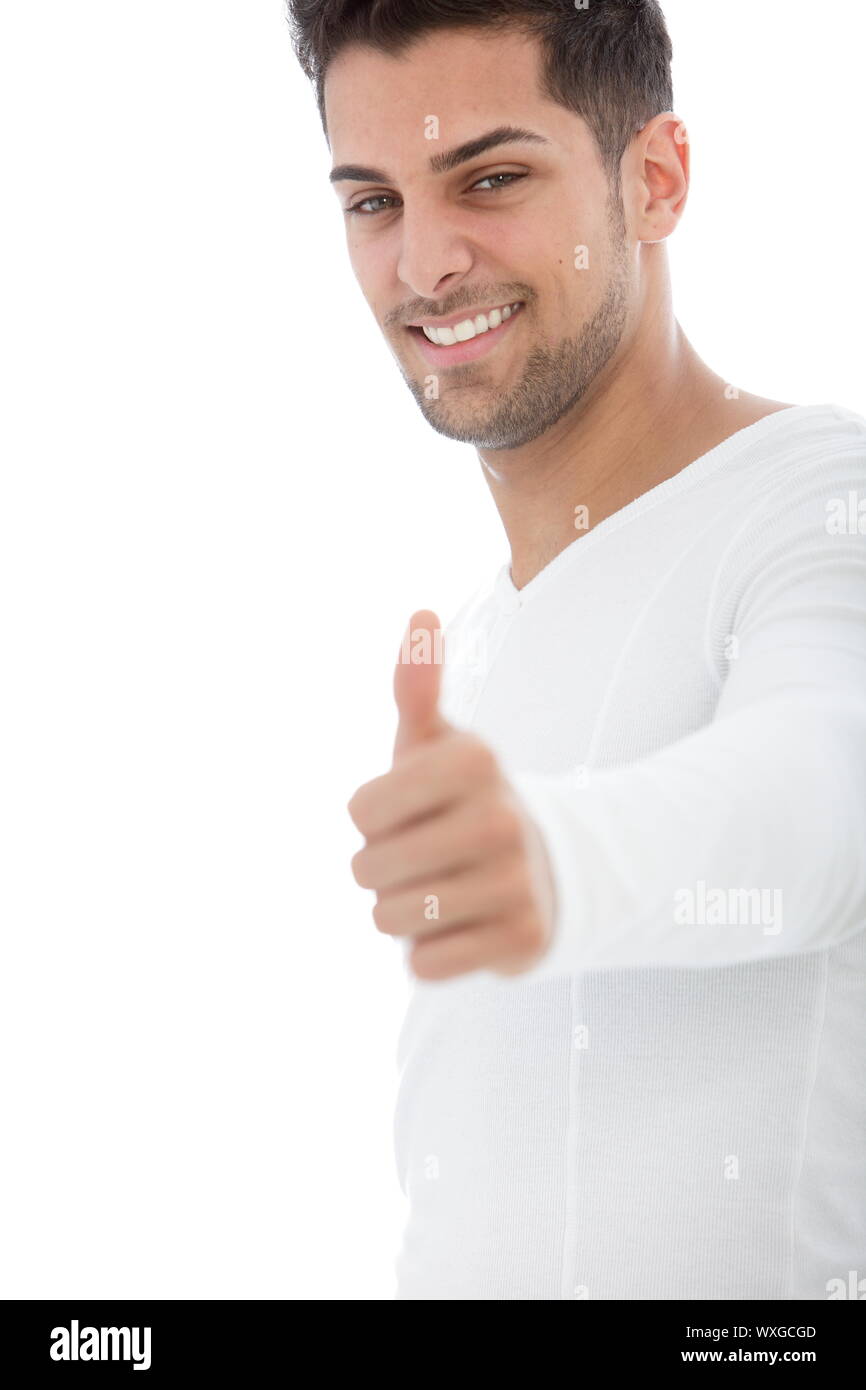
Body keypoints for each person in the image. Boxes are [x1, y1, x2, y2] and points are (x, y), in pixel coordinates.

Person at [286, 0, 866, 1299]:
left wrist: (551, 854)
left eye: (488, 178)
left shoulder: (823, 504)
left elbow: (819, 793)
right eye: (370, 200)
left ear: (652, 179)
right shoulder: (477, 645)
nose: (424, 264)